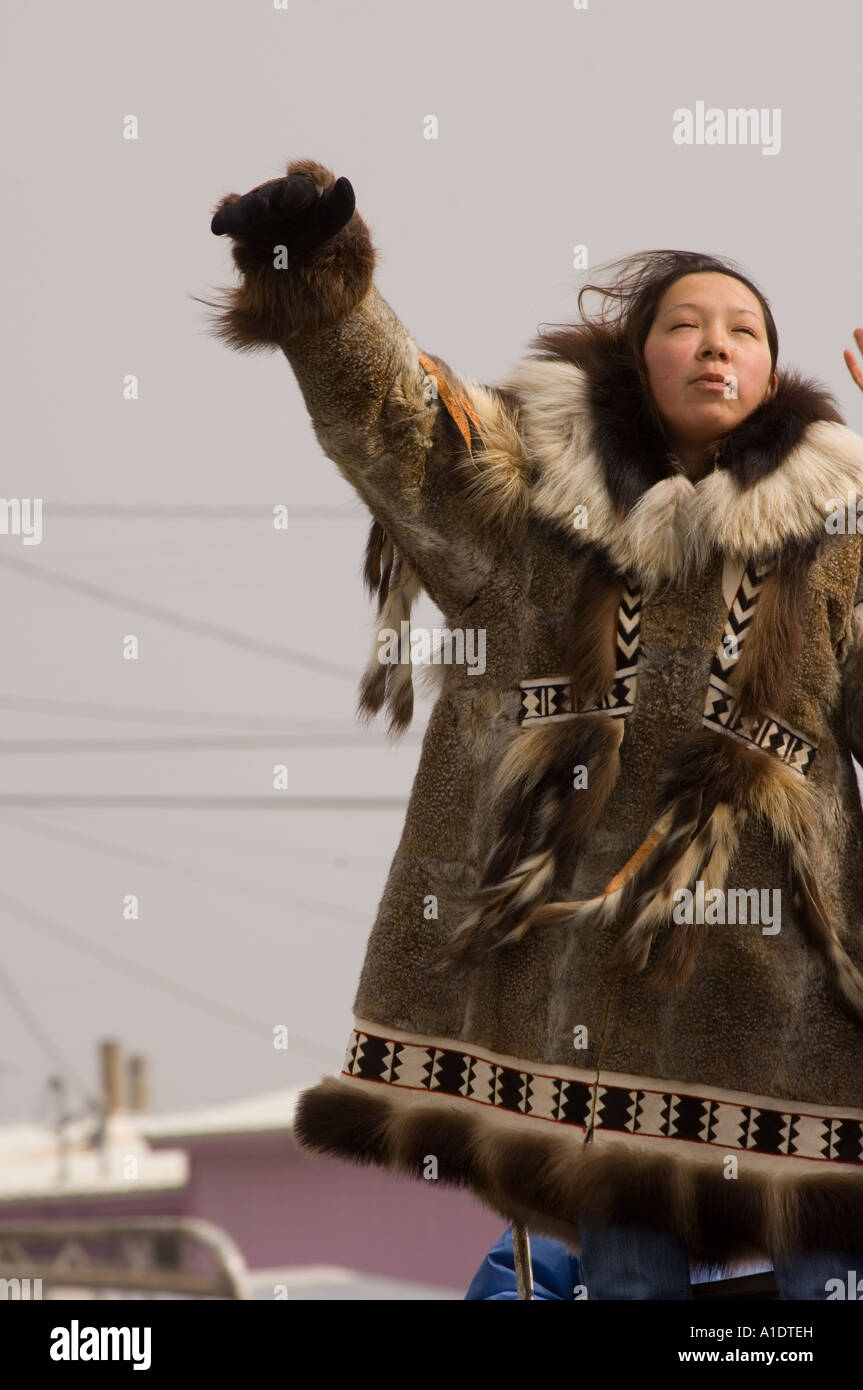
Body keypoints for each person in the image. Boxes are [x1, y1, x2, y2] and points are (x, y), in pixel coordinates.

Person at [207, 158, 863, 1298]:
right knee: (624, 1281)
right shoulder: (530, 514)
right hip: (597, 1031)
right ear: (631, 354)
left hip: (791, 1022)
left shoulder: (837, 541)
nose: (716, 344)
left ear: (771, 371)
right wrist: (314, 275)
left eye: (744, 330)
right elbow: (397, 422)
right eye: (685, 324)